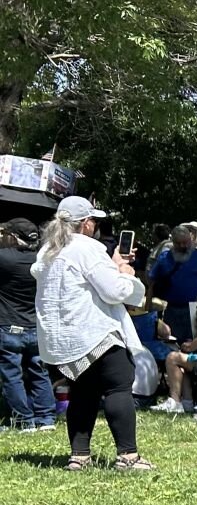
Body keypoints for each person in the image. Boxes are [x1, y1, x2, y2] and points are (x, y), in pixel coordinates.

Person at [31, 196, 153, 470]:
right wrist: (124, 271)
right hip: (95, 331)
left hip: (64, 337)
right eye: (94, 221)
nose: (95, 226)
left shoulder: (48, 249)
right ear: (86, 224)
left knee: (82, 392)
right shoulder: (87, 248)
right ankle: (128, 457)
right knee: (118, 386)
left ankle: (79, 456)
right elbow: (114, 291)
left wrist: (111, 263)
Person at [0, 217, 56, 430]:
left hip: (9, 327)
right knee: (39, 372)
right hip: (36, 327)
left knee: (12, 375)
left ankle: (24, 420)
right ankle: (46, 419)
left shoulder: (5, 259)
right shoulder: (43, 260)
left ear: (13, 237)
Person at [148, 224, 197, 340]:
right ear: (172, 242)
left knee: (196, 345)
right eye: (178, 243)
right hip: (172, 310)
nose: (182, 246)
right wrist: (148, 312)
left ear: (190, 240)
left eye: (185, 242)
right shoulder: (164, 258)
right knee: (173, 344)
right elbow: (152, 282)